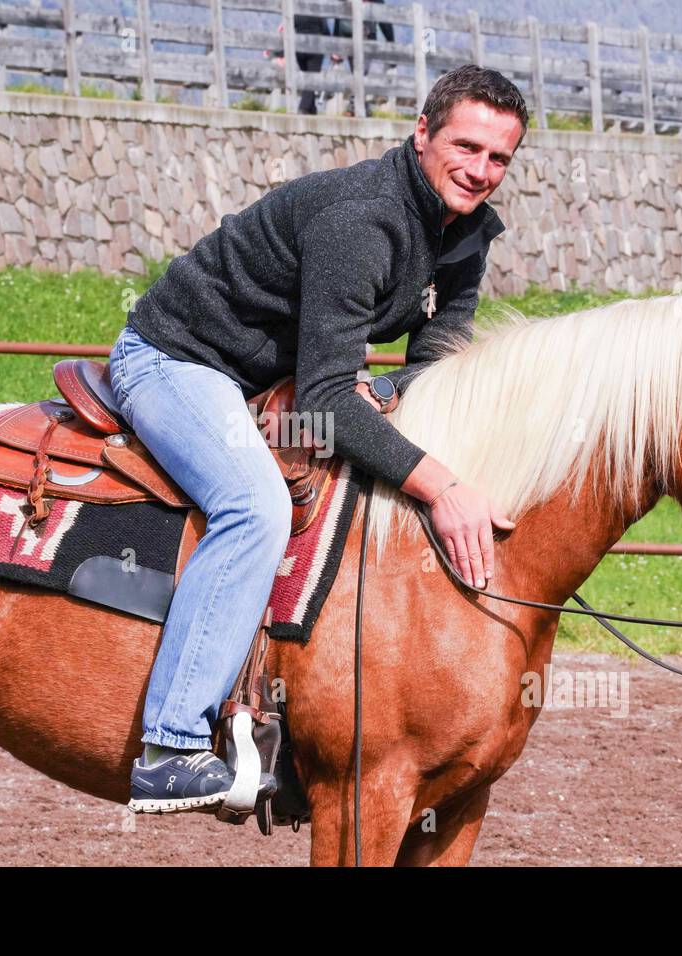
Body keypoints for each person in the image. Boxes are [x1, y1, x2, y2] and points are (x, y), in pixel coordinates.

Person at [113, 65, 528, 814]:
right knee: (254, 505)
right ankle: (170, 744)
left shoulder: (466, 233)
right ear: (423, 134)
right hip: (182, 361)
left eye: (499, 158)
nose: (481, 171)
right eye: (466, 147)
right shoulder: (361, 219)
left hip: (278, 380)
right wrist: (444, 487)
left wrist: (397, 397)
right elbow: (332, 399)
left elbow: (434, 367)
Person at [332, 0, 395, 115]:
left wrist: (391, 42)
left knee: (360, 72)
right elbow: (339, 17)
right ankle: (359, 107)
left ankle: (357, 107)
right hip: (356, 37)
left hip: (360, 37)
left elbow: (384, 19)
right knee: (359, 72)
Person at [266, 15, 332, 115]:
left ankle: (311, 108)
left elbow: (286, 29)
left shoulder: (296, 13)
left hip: (300, 49)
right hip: (316, 48)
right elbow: (325, 30)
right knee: (311, 79)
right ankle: (304, 107)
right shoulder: (318, 13)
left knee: (306, 78)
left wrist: (279, 53)